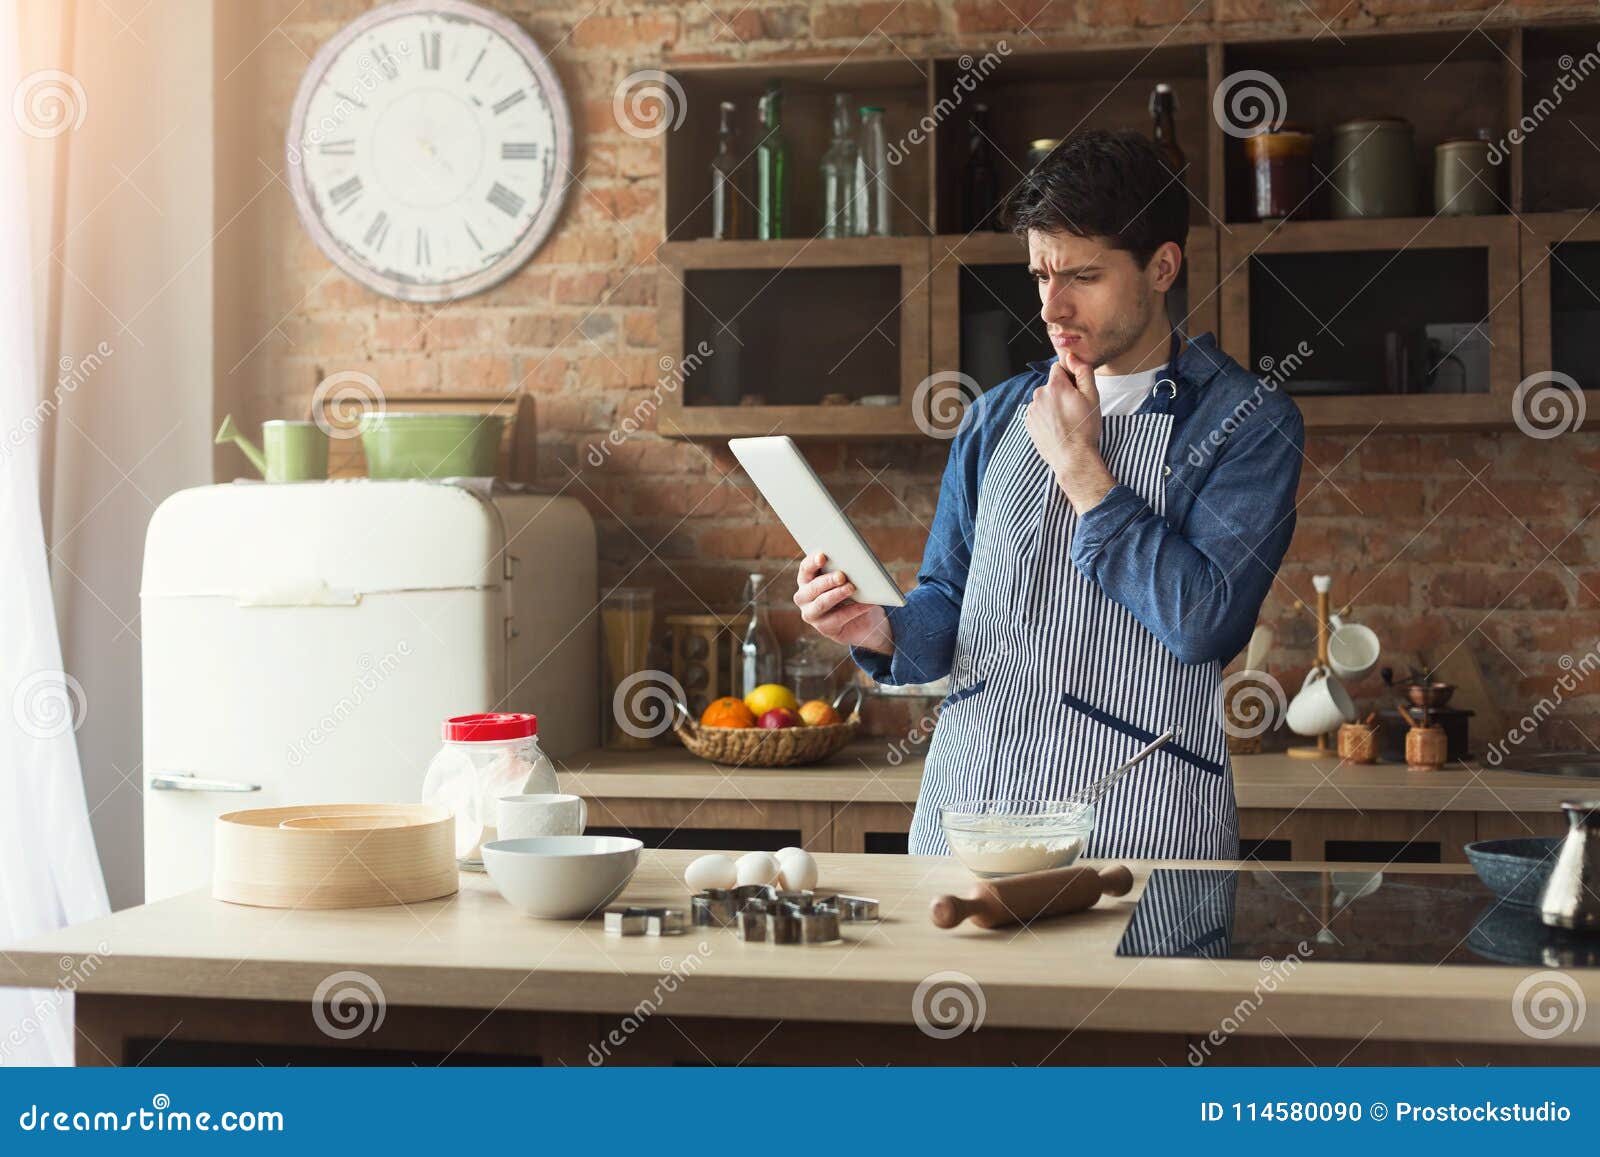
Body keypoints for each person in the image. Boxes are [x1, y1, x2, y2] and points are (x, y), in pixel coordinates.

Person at [794, 129, 1304, 859]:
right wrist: (877, 628)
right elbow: (948, 600)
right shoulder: (995, 416)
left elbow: (1204, 622)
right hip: (968, 810)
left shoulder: (1244, 422)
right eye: (1040, 275)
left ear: (1163, 267)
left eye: (1083, 277)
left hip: (1138, 820)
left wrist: (1082, 470)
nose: (1052, 307)